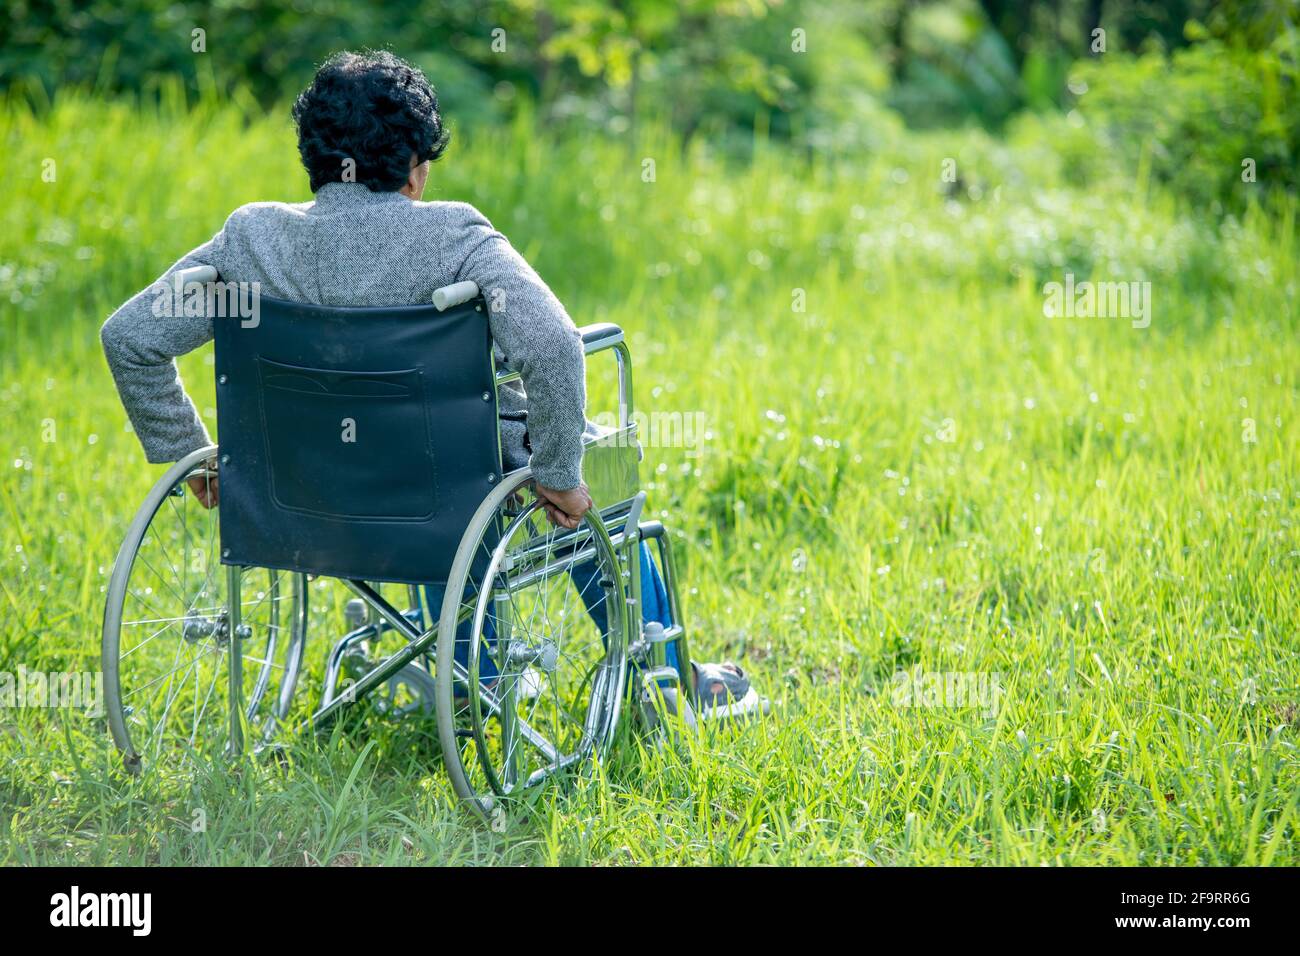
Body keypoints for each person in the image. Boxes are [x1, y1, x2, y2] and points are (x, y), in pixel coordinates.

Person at [100, 50, 762, 720]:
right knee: (553, 463)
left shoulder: (251, 239)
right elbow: (556, 346)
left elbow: (129, 339)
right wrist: (558, 471)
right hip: (448, 488)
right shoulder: (455, 235)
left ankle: (474, 674)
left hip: (297, 494)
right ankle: (665, 680)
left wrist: (195, 457)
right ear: (415, 170)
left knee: (419, 455)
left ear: (314, 159)